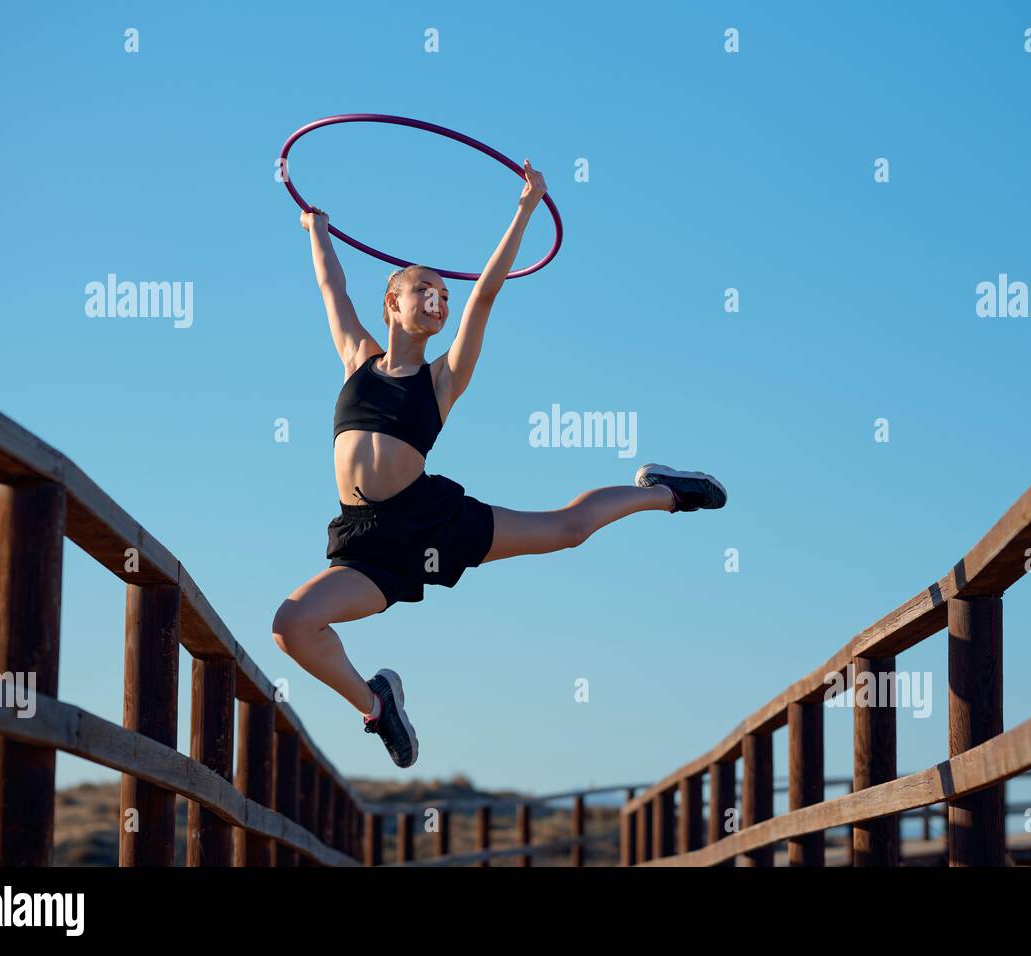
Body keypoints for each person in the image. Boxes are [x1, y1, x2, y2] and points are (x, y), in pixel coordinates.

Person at [271, 160, 727, 769]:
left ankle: (666, 492)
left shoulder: (443, 378)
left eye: (443, 298)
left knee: (566, 531)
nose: (437, 302)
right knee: (292, 625)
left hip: (429, 519)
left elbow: (485, 292)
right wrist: (317, 230)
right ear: (392, 302)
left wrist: (526, 208)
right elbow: (332, 287)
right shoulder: (358, 356)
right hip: (366, 541)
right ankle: (378, 705)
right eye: (424, 292)